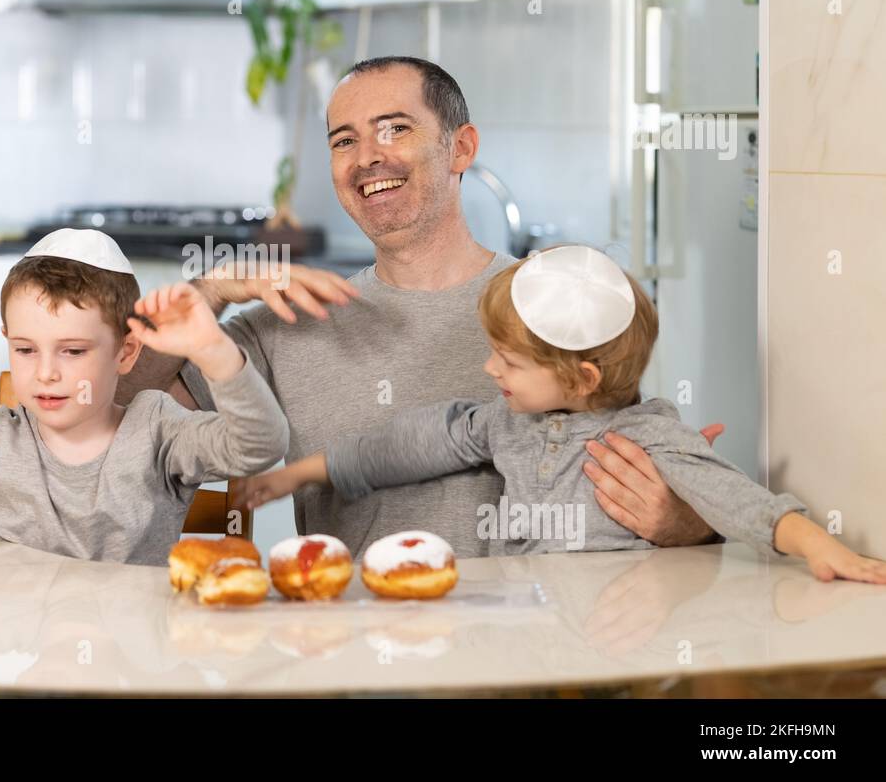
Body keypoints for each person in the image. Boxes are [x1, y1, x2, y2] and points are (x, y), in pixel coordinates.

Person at [118, 56, 721, 558]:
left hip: (531, 647)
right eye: (344, 141)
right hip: (355, 644)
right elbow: (122, 409)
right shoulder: (284, 323)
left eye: (394, 129)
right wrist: (213, 290)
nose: (367, 157)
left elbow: (647, 480)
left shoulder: (554, 305)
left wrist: (686, 522)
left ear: (461, 148)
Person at [242, 246, 886, 585]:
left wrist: (821, 548)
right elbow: (406, 445)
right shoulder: (504, 423)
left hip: (616, 637)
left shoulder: (652, 436)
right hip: (520, 628)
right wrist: (300, 475)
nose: (491, 372)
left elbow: (740, 501)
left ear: (583, 378)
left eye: (509, 362)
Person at [0, 228, 288, 566]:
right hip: (22, 656)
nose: (45, 372)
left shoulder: (158, 428)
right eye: (25, 350)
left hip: (134, 664)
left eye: (72, 351)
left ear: (126, 353)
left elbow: (260, 444)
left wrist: (213, 353)